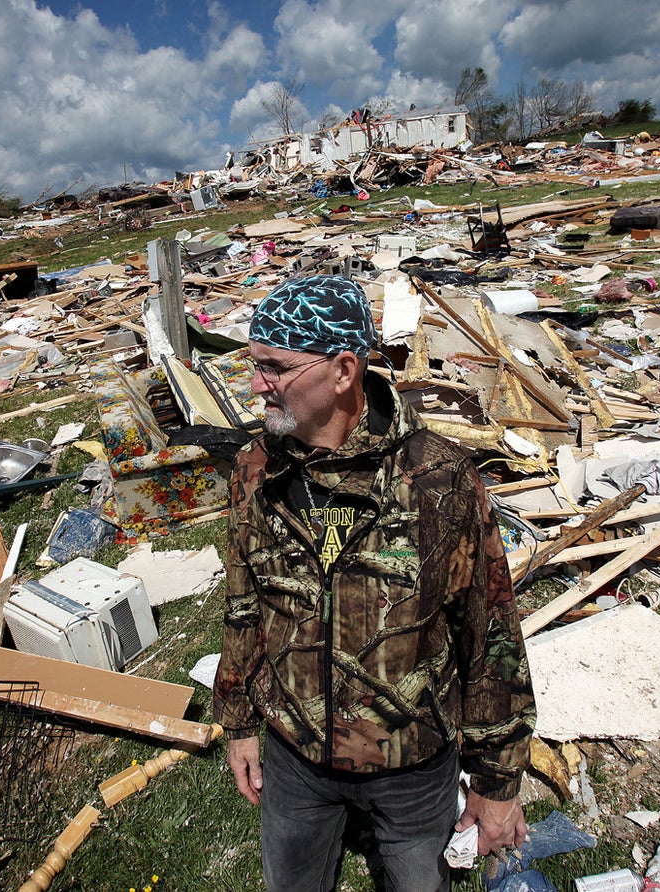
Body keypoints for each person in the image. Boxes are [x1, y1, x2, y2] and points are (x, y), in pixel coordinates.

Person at [212, 275, 536, 892]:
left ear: (342, 370)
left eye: (275, 368)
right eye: (255, 366)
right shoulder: (256, 470)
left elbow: (490, 634)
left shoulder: (438, 479)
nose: (257, 385)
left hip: (411, 765)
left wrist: (497, 785)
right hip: (293, 756)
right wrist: (240, 724)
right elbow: (243, 604)